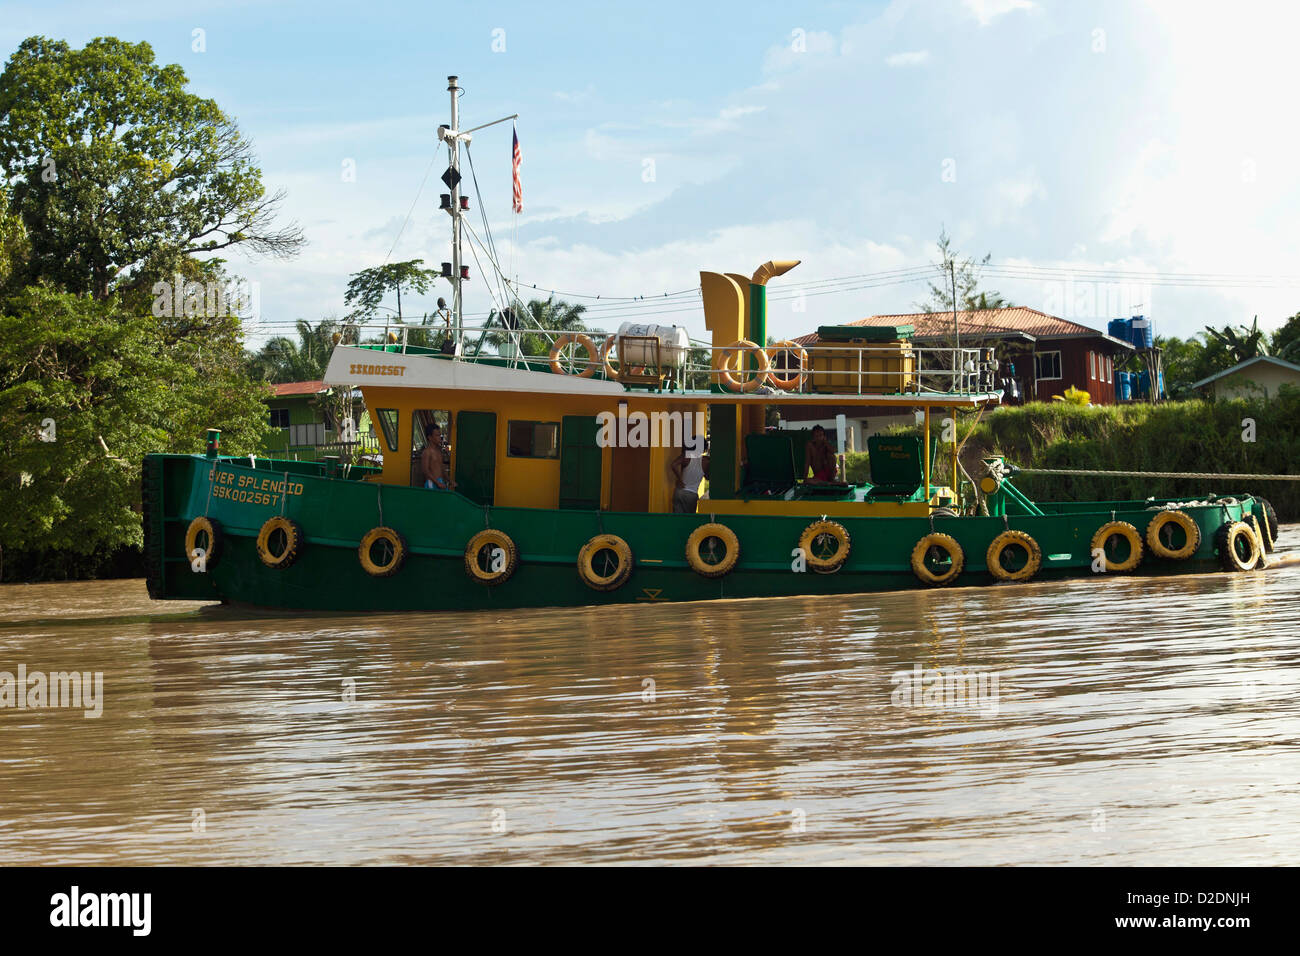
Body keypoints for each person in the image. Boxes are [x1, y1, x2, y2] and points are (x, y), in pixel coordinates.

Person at [671, 439, 708, 513]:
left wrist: (680, 479)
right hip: (692, 495)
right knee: (688, 521)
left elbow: (673, 464)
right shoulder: (706, 461)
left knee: (676, 520)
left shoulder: (687, 455)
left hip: (679, 492)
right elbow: (707, 477)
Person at [421, 423, 455, 490]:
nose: (440, 437)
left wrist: (450, 480)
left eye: (440, 435)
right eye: (437, 435)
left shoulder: (439, 451)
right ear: (430, 437)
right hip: (432, 483)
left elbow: (442, 468)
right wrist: (437, 483)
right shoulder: (427, 452)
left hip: (440, 482)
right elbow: (425, 471)